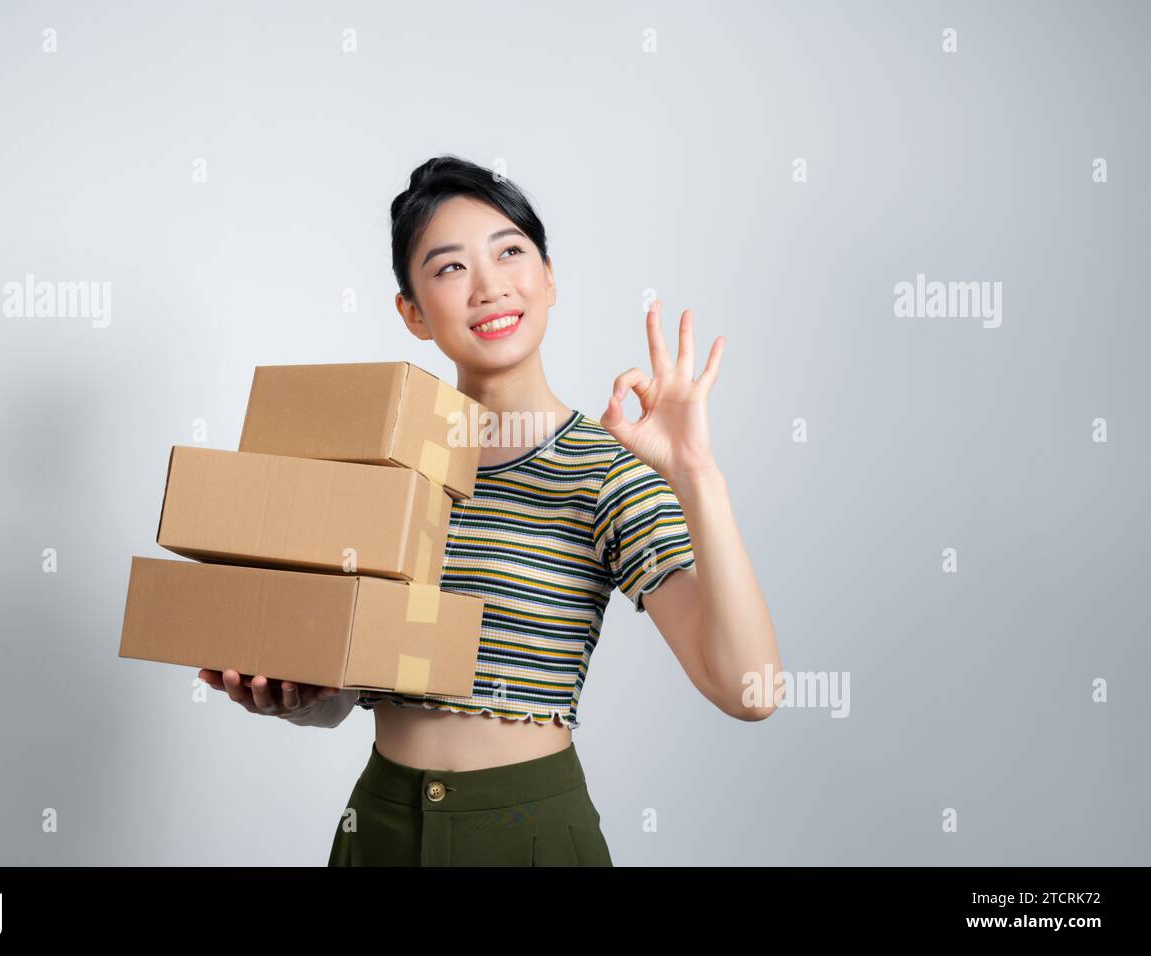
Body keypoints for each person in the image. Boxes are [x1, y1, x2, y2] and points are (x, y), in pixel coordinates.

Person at [198, 155, 783, 866]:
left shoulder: (605, 471)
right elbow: (348, 690)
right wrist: (292, 699)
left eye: (510, 252)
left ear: (548, 277)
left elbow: (750, 691)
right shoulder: (387, 463)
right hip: (379, 826)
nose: (489, 286)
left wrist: (697, 475)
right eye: (449, 268)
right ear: (412, 312)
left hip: (528, 833)